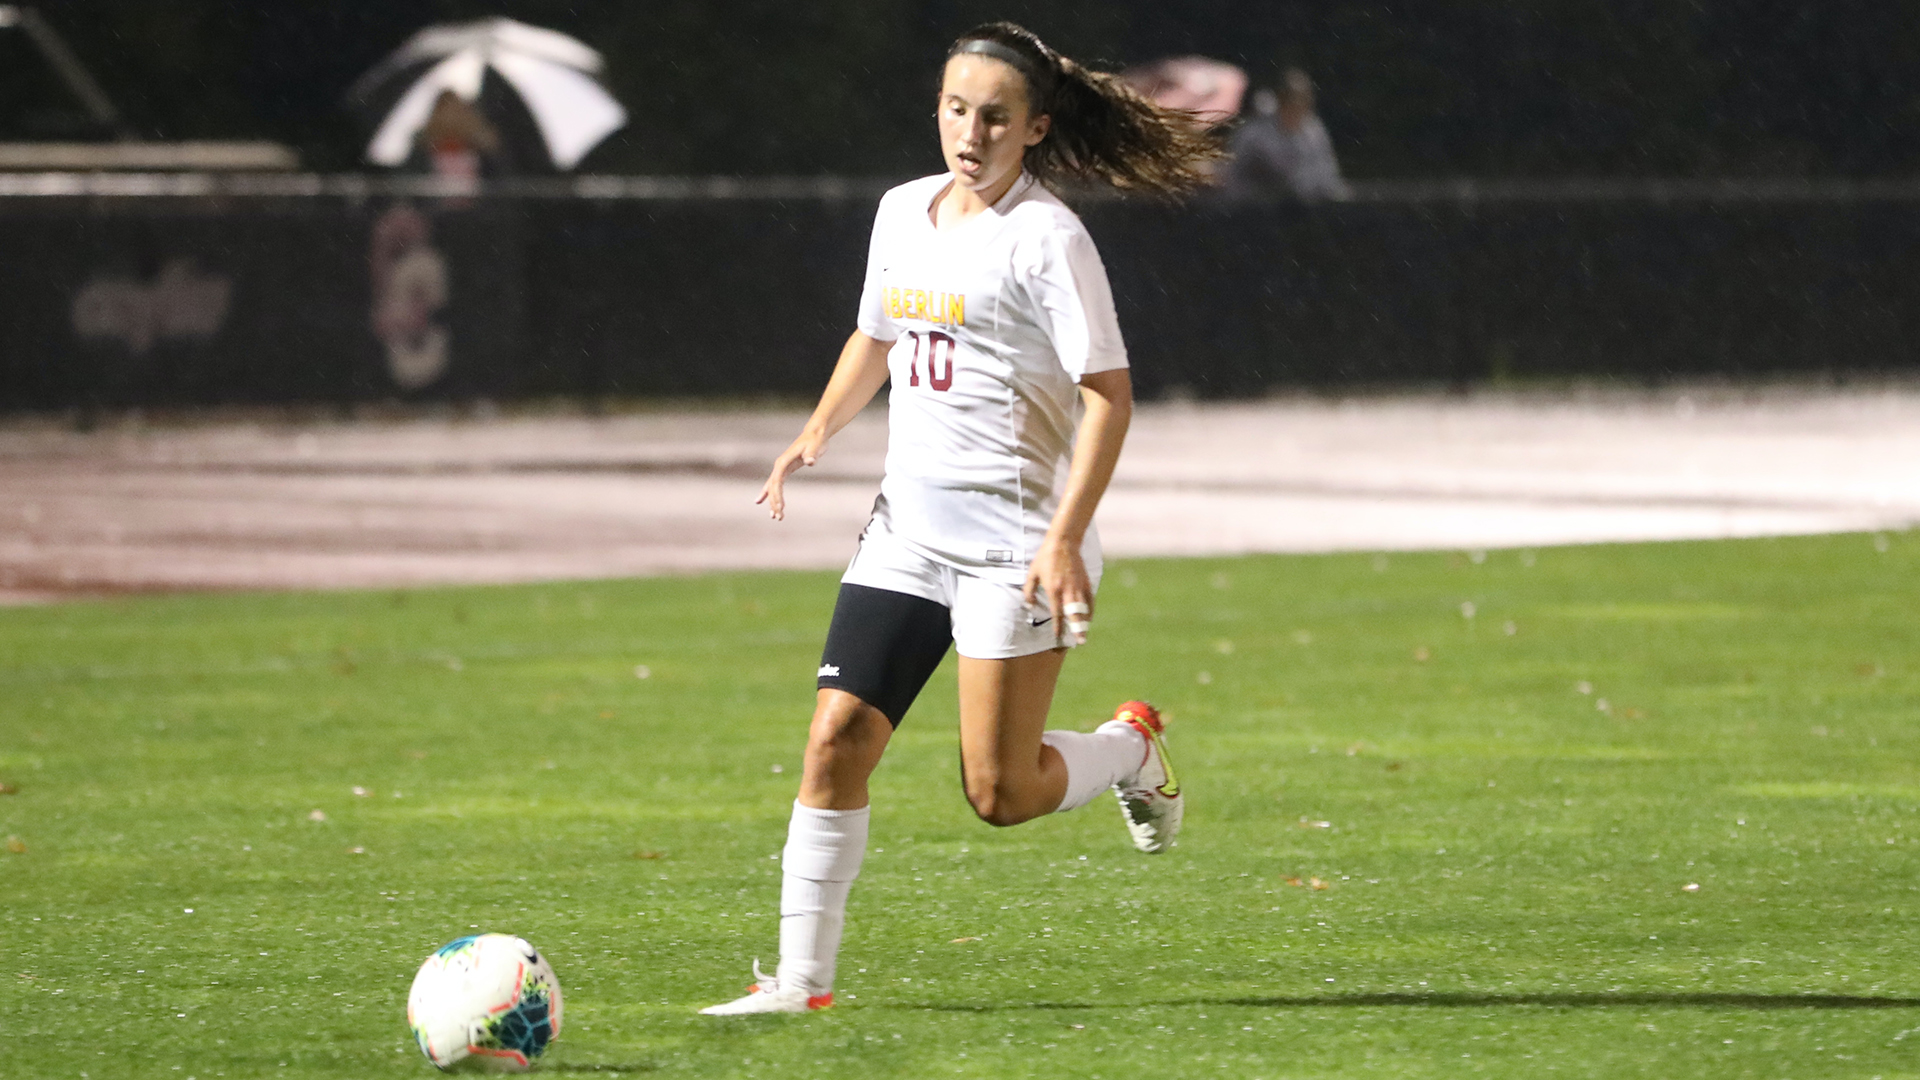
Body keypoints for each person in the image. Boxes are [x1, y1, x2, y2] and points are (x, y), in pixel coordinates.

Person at [699, 21, 1220, 1016]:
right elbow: (877, 336)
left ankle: (1127, 750)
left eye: (994, 117)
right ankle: (801, 986)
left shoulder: (1048, 239)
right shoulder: (901, 213)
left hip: (1013, 552)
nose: (969, 133)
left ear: (1035, 129)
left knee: (1001, 794)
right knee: (835, 738)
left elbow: (1109, 394)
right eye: (954, 109)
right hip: (906, 534)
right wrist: (814, 434)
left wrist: (1064, 537)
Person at [1220, 68, 1350, 201]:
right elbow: (1231, 172)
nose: (1298, 106)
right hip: (1252, 207)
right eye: (1292, 99)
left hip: (1300, 208)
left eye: (1303, 100)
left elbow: (1326, 174)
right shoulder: (1255, 130)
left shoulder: (1313, 131)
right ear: (1281, 99)